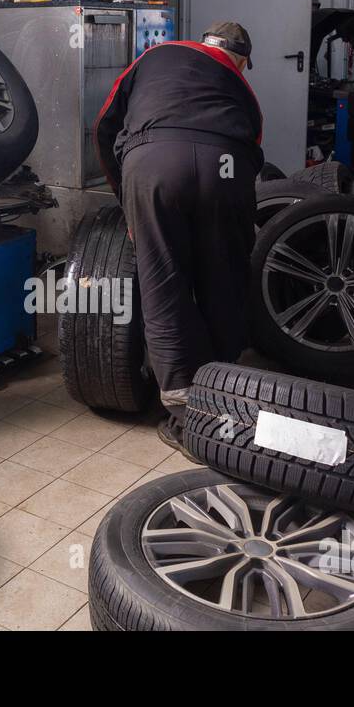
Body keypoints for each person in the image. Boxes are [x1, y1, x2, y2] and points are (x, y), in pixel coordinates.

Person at [94, 22, 264, 457]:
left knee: (163, 287)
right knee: (225, 280)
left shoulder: (154, 56)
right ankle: (225, 399)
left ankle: (187, 421)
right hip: (225, 166)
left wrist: (127, 201)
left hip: (153, 163)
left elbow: (105, 124)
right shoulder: (242, 88)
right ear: (242, 58)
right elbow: (253, 152)